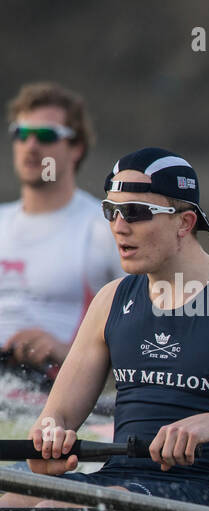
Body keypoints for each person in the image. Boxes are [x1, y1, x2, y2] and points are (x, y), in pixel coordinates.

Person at [0, 148, 209, 509]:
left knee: (58, 509)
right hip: (113, 483)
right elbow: (58, 416)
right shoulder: (111, 300)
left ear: (184, 222)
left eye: (135, 212)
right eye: (111, 211)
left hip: (201, 496)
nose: (119, 226)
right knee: (10, 506)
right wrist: (49, 438)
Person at [0, 82, 120, 372]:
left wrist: (70, 352)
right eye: (22, 133)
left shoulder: (105, 228)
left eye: (45, 136)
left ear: (76, 148)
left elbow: (148, 328)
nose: (31, 146)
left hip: (54, 394)